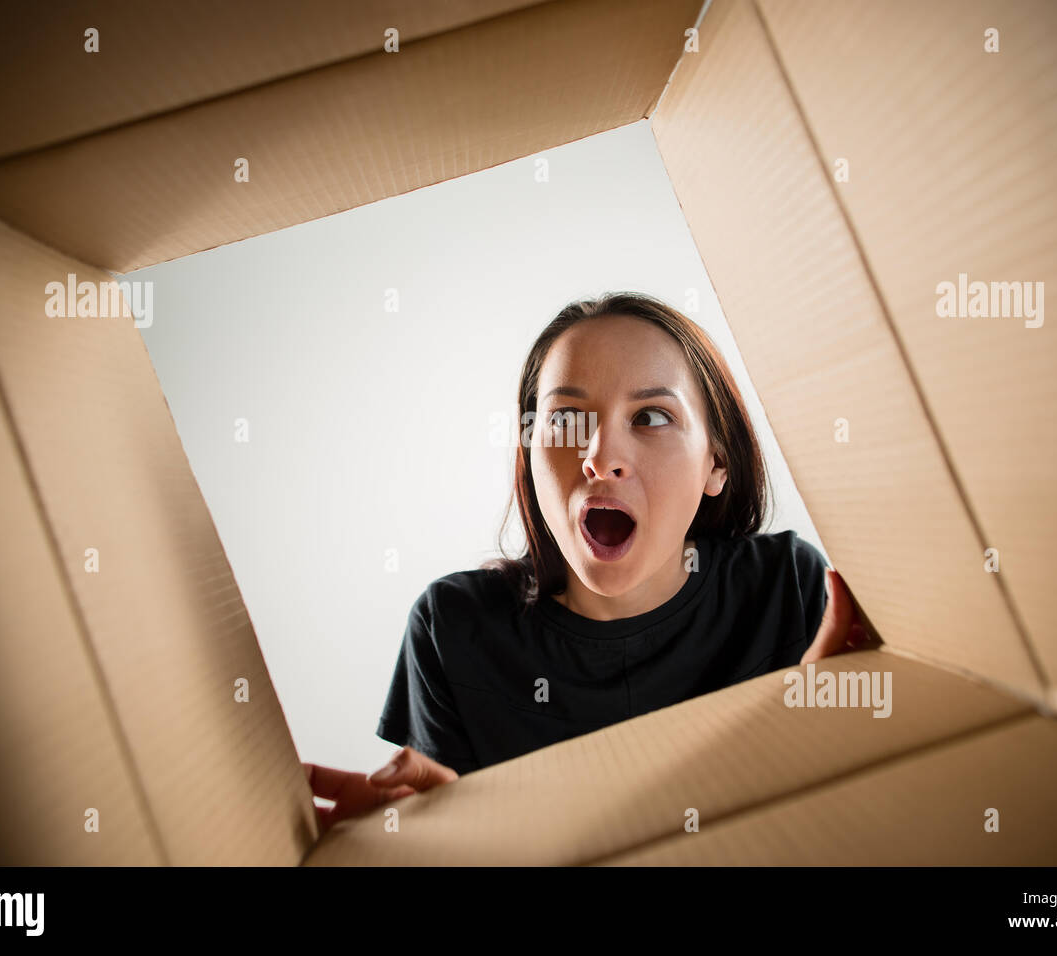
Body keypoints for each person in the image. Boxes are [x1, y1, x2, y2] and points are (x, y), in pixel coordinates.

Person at [304, 292, 868, 832]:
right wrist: (405, 840)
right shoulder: (452, 628)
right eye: (567, 420)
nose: (600, 458)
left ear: (716, 463)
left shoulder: (786, 589)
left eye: (650, 417)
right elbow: (442, 830)